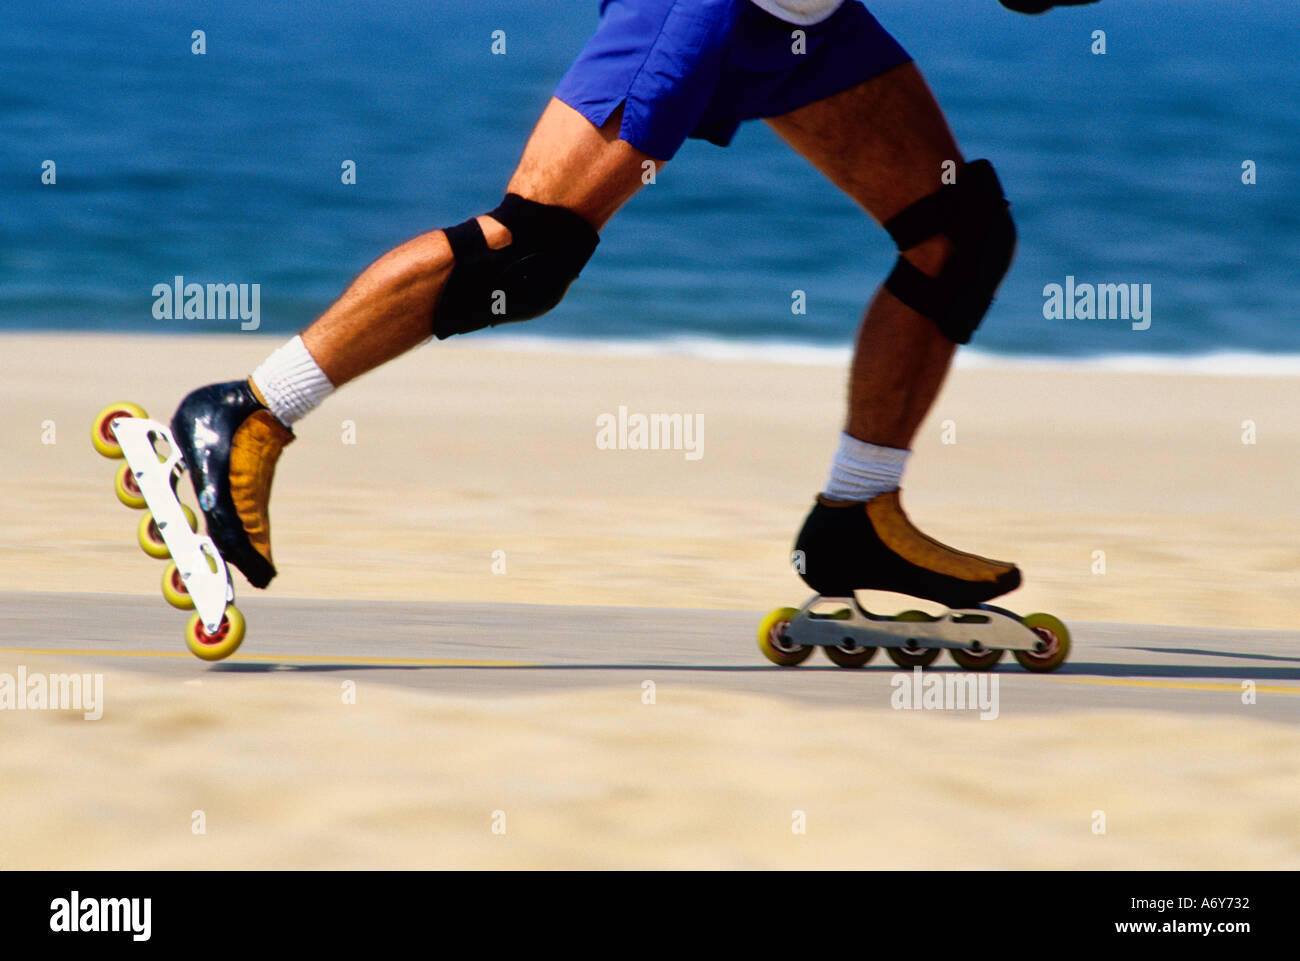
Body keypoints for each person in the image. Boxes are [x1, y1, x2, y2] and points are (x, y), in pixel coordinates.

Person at [168, 0, 1098, 632]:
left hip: (800, 23)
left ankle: (859, 510)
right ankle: (250, 408)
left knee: (957, 236)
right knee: (526, 253)